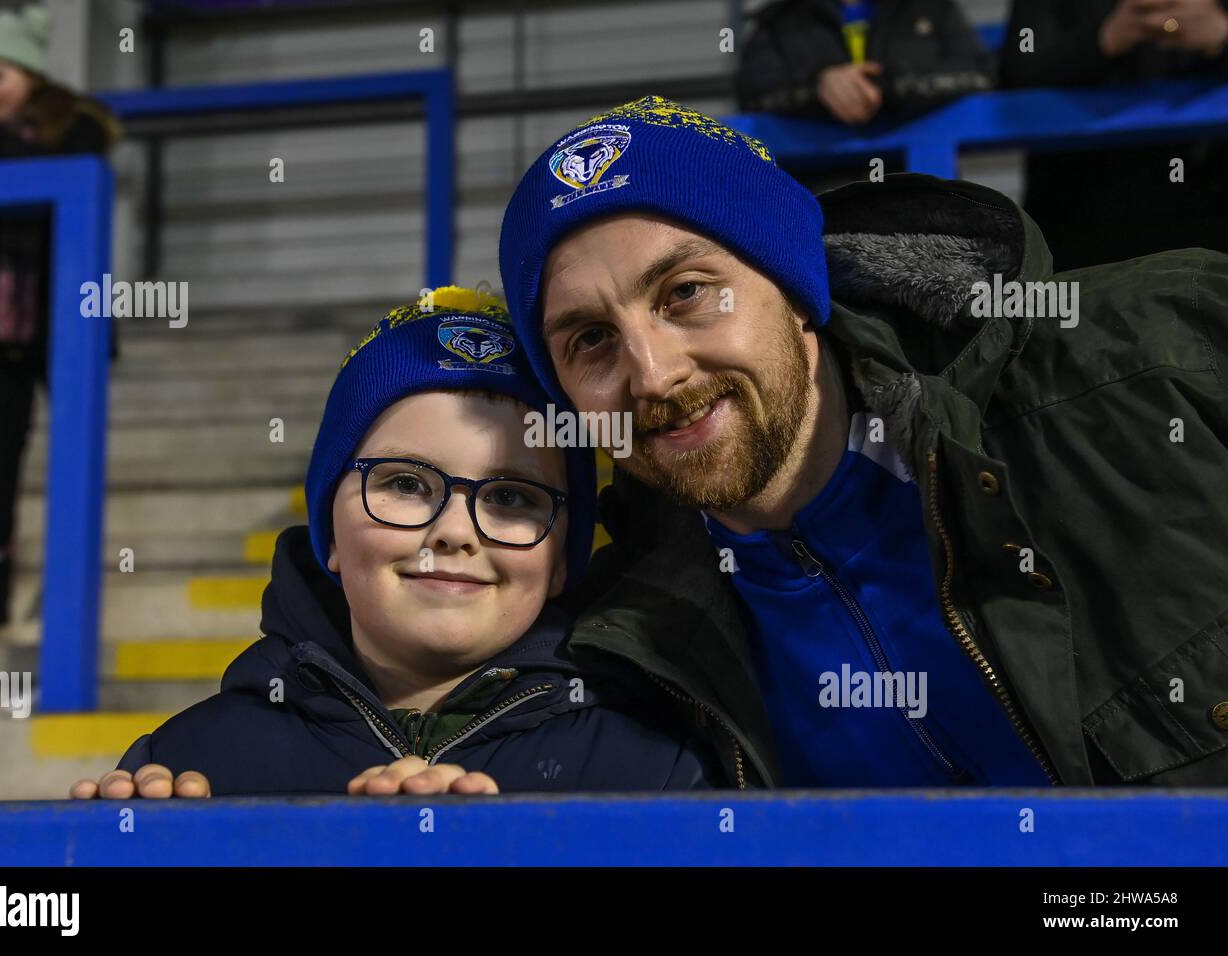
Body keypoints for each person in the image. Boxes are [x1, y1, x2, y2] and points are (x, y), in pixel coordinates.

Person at [497, 94, 1228, 787]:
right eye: (591, 339)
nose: (652, 375)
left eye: (686, 292)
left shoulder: (1163, 359)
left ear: (795, 287)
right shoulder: (627, 643)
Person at [71, 287, 732, 799]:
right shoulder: (193, 766)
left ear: (562, 557)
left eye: (511, 497)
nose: (452, 530)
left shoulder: (654, 771)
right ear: (331, 530)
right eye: (407, 485)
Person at [0, 4, 120, 626]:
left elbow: (77, 167)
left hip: (68, 323)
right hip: (1, 328)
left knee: (75, 452)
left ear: (31, 74)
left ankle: (72, 587)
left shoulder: (78, 120)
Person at [1000, 0, 1228, 270]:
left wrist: (1221, 35)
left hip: (1210, 210)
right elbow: (1017, 76)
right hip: (1082, 217)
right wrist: (1106, 38)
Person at [737, 0, 993, 125]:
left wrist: (890, 85)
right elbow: (752, 94)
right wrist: (818, 87)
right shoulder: (781, 20)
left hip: (924, 192)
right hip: (820, 201)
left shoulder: (931, 8)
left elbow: (981, 76)